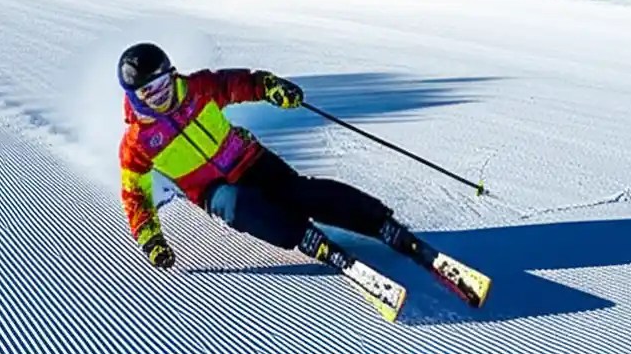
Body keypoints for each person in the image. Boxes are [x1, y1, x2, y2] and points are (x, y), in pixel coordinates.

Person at [117, 42, 423, 270]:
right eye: (148, 93)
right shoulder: (139, 142)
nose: (160, 97)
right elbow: (135, 194)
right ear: (133, 96)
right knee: (238, 206)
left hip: (247, 158)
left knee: (298, 193)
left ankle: (377, 222)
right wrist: (149, 236)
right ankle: (305, 237)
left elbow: (235, 83)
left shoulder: (197, 88)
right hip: (212, 190)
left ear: (172, 76)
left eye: (162, 85)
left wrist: (269, 87)